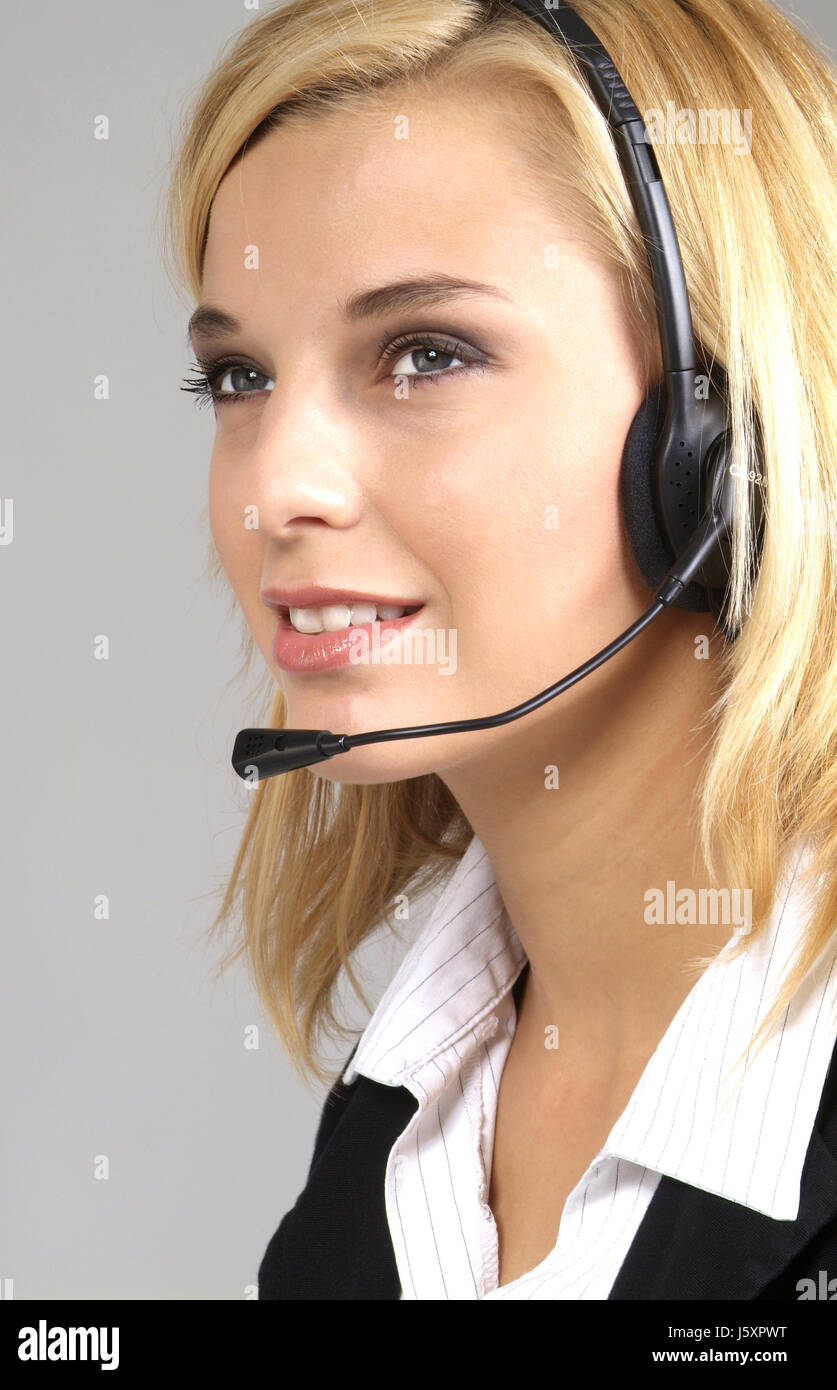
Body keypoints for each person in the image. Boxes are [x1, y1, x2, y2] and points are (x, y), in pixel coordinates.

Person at [161, 0, 837, 1298]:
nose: (276, 485)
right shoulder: (379, 1164)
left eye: (424, 352)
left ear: (712, 449)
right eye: (239, 377)